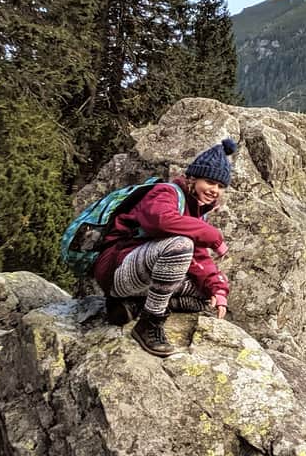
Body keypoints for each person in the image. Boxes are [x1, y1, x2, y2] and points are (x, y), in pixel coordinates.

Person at [93, 138, 236, 357]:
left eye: (220, 186)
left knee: (204, 294)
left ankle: (132, 305)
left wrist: (217, 288)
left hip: (141, 276)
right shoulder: (165, 193)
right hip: (116, 269)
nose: (215, 190)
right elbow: (160, 221)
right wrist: (212, 235)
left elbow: (199, 258)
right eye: (209, 182)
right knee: (180, 246)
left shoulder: (196, 210)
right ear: (193, 178)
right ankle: (149, 323)